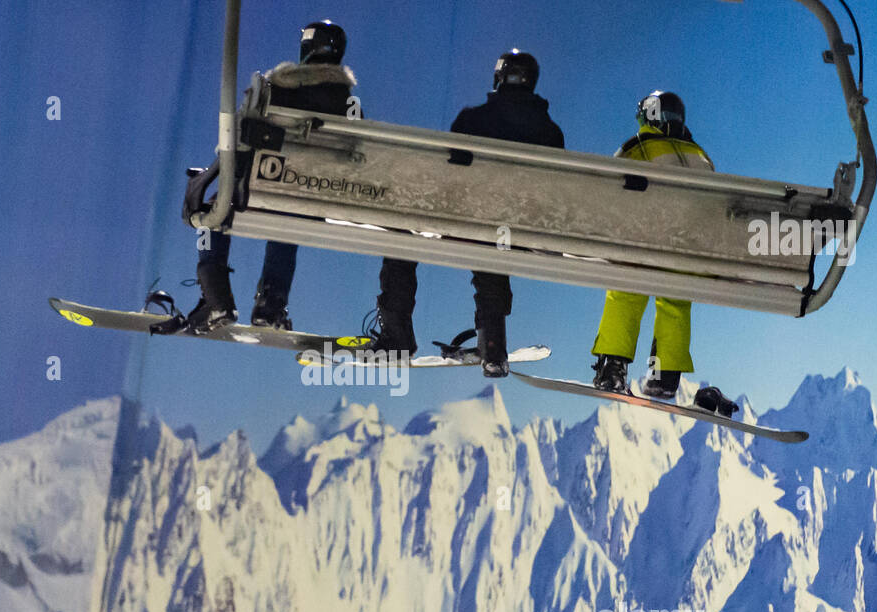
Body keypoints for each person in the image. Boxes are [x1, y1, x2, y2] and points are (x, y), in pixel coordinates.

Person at [367, 50, 565, 376]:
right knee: (495, 240)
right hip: (527, 231)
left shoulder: (472, 120)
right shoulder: (551, 132)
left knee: (404, 235)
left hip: (473, 223)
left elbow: (448, 172)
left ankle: (397, 335)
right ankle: (492, 343)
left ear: (498, 77)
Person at [159, 20, 356, 335]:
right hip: (312, 201)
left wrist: (207, 179)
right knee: (291, 215)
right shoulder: (350, 105)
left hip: (261, 193)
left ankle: (216, 297)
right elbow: (356, 158)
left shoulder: (275, 88)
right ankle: (271, 305)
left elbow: (236, 142)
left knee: (213, 211)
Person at [590, 90, 716, 400]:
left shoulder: (639, 147)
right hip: (690, 256)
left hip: (645, 246)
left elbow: (606, 191)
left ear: (650, 115)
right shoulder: (700, 156)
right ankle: (665, 375)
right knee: (675, 299)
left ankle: (613, 368)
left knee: (626, 289)